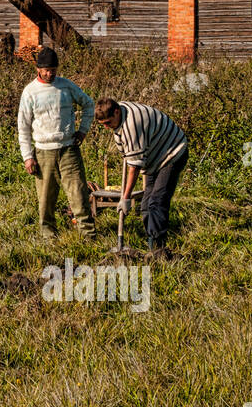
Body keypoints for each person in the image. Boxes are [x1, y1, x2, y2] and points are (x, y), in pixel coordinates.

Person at [94, 97, 188, 260]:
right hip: (153, 155)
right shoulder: (119, 112)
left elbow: (134, 167)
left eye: (108, 123)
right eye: (103, 125)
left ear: (116, 112)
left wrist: (125, 197)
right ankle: (151, 240)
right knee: (146, 204)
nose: (106, 127)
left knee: (156, 202)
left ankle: (158, 250)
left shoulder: (132, 126)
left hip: (172, 153)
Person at [17, 47, 95, 239]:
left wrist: (83, 131)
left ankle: (88, 235)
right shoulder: (30, 92)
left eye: (53, 69)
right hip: (43, 152)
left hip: (69, 149)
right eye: (46, 70)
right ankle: (49, 237)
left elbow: (88, 104)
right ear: (38, 69)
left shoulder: (66, 86)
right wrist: (28, 157)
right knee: (46, 199)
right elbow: (23, 127)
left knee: (78, 193)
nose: (50, 73)